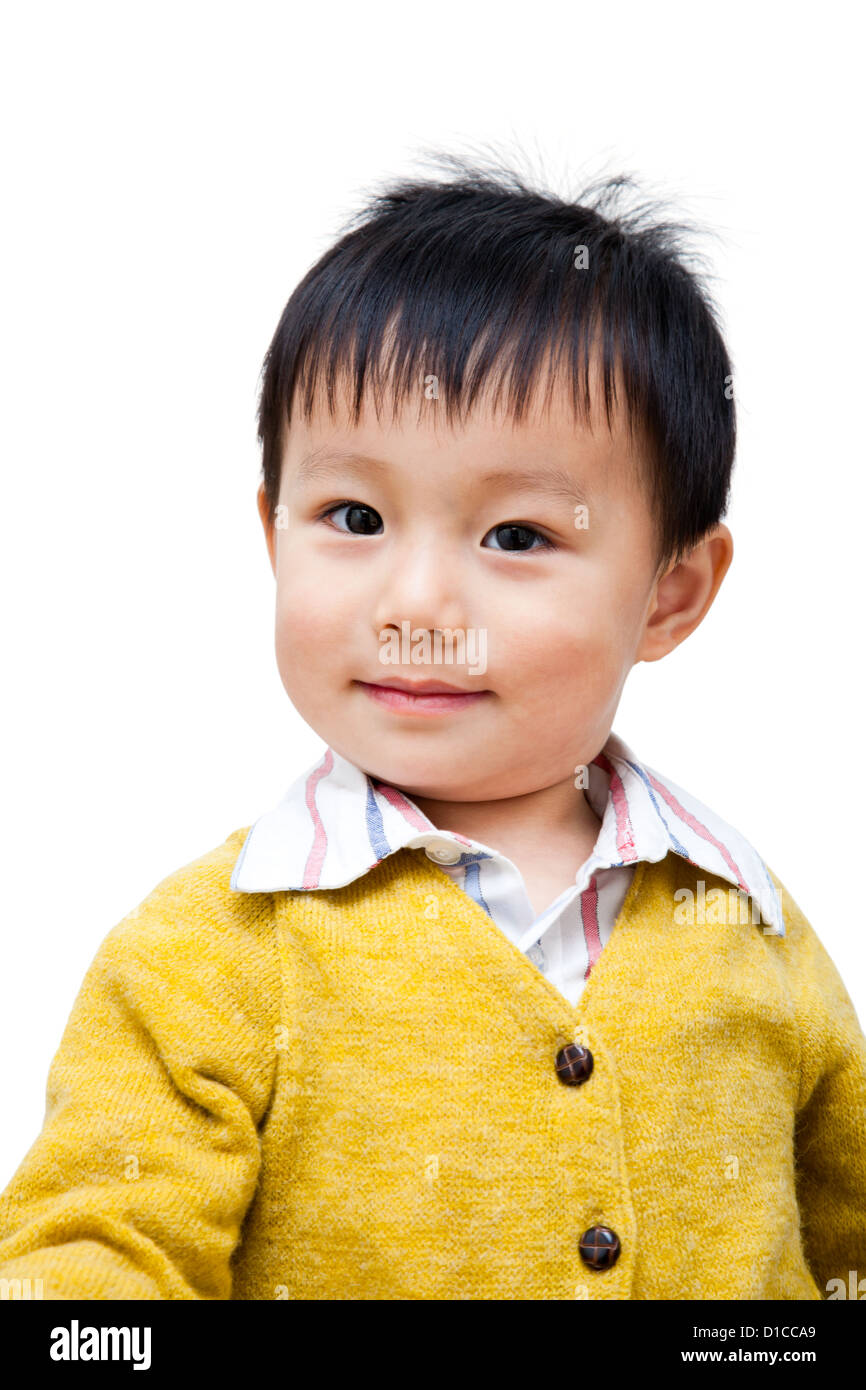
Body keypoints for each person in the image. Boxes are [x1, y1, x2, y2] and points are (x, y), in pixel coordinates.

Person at [1, 157, 863, 1300]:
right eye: (352, 516)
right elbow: (91, 1262)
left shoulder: (743, 915)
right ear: (272, 535)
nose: (412, 604)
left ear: (668, 593)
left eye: (514, 535)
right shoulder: (206, 956)